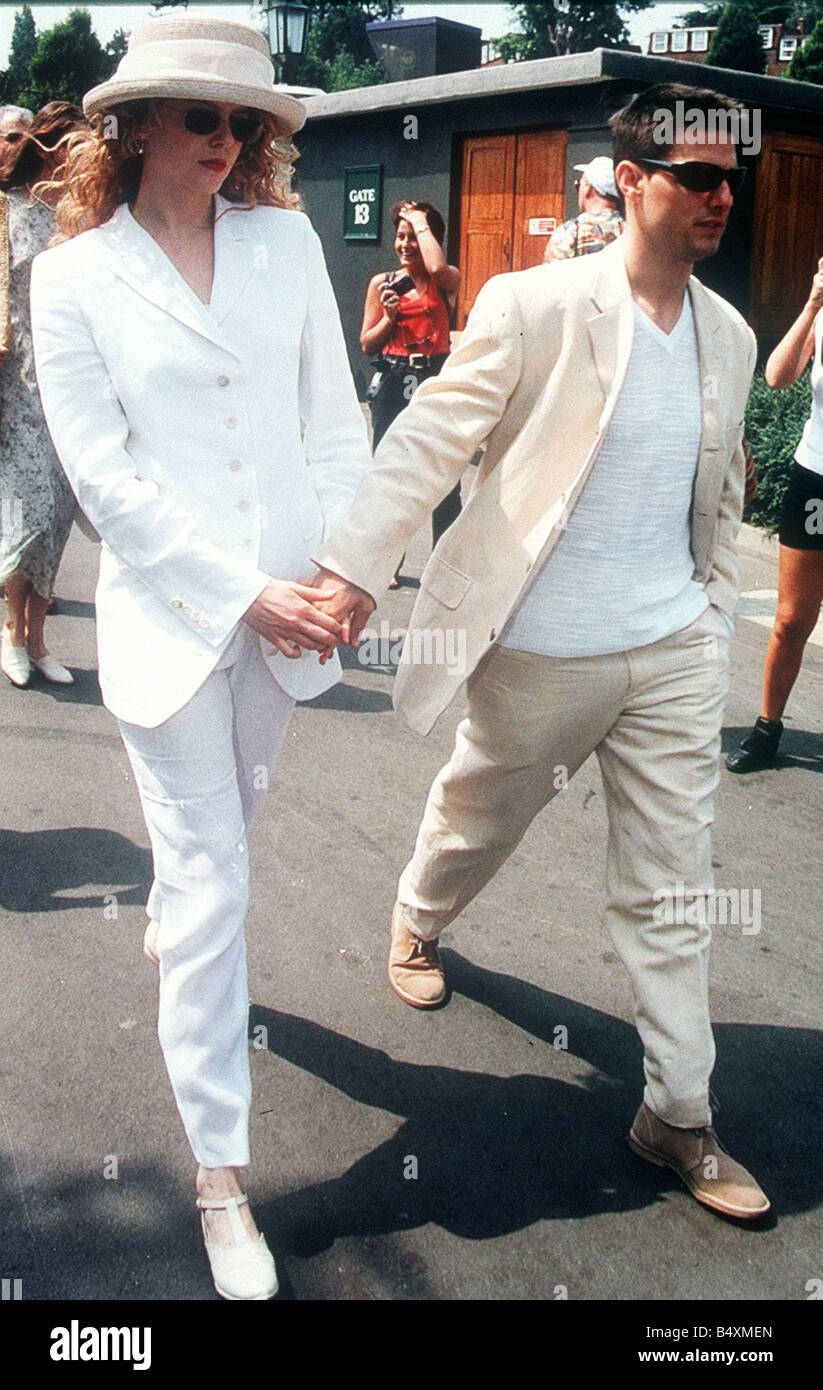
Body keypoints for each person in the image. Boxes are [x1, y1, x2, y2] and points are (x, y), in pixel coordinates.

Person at [311, 83, 771, 1222]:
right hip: (538, 647)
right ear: (631, 181)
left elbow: (717, 497)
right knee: (480, 816)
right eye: (697, 177)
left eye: (730, 178)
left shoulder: (729, 332)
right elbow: (430, 437)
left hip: (667, 646)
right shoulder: (535, 304)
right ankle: (418, 915)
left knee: (673, 884)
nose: (722, 195)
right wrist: (351, 570)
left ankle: (677, 1113)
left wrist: (709, 616)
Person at [30, 15, 371, 1300]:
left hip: (293, 615)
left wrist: (348, 570)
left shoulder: (286, 246)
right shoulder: (70, 282)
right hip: (178, 629)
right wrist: (247, 597)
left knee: (229, 838)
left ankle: (179, 922)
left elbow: (331, 427)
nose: (229, 142)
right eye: (203, 117)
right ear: (134, 127)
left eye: (246, 123)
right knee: (214, 876)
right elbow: (105, 481)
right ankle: (222, 1180)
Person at [726, 258, 823, 772]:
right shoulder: (822, 312)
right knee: (790, 618)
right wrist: (812, 304)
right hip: (816, 483)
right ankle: (767, 730)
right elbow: (778, 375)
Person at [1, 102, 85, 688]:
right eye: (73, 150)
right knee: (23, 513)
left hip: (66, 380)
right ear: (48, 147)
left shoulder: (75, 218)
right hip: (16, 382)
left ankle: (38, 638)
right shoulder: (6, 210)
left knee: (57, 515)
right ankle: (10, 633)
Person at [361, 199, 461, 585]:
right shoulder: (382, 283)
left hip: (435, 377)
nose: (405, 245)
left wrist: (419, 217)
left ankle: (443, 564)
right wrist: (388, 318)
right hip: (394, 378)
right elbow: (368, 344)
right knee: (391, 473)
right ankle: (387, 562)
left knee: (445, 475)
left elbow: (437, 266)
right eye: (400, 237)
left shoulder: (444, 279)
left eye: (414, 237)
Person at [544, 155, 624, 262]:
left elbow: (551, 275)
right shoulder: (634, 229)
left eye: (578, 185)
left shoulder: (570, 232)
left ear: (588, 188)